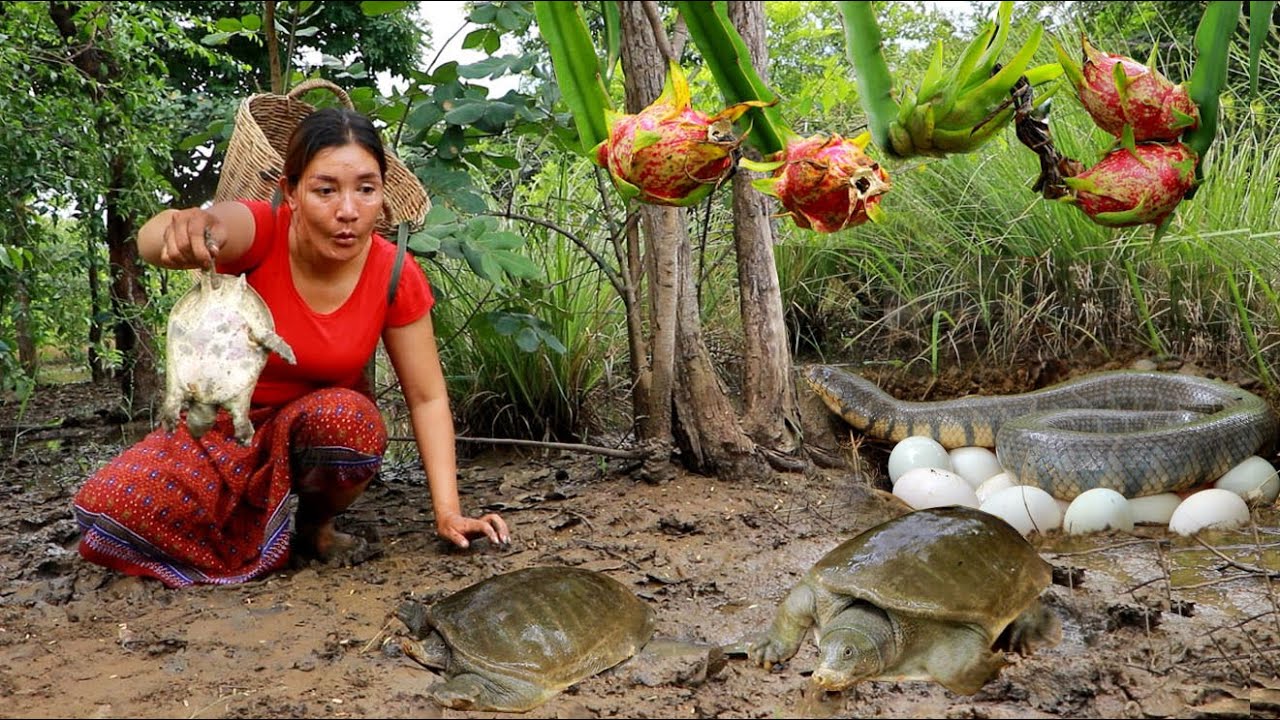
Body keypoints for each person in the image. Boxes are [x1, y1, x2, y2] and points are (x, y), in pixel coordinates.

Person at [72, 107, 509, 588]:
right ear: (292, 193)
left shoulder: (395, 273)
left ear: (383, 197)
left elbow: (428, 398)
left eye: (366, 188)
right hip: (223, 427)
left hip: (319, 432)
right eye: (325, 190)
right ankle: (251, 536)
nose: (348, 210)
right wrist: (181, 228)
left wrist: (448, 513)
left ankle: (312, 528)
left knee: (349, 420)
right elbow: (166, 238)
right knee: (104, 507)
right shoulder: (263, 230)